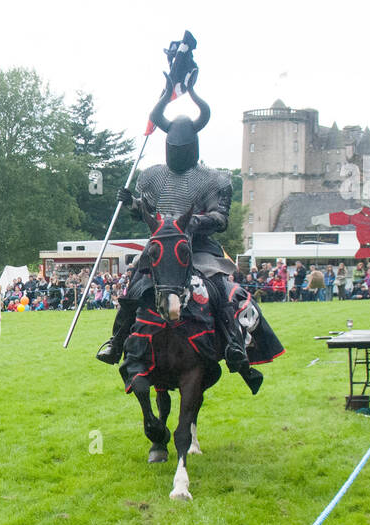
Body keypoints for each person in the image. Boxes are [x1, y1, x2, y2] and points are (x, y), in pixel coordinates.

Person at [94, 78, 280, 394]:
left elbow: (220, 218)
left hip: (201, 248)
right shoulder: (151, 175)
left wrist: (192, 222)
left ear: (193, 145)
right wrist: (132, 204)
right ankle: (117, 341)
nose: (177, 153)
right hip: (161, 245)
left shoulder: (214, 179)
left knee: (222, 289)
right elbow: (147, 213)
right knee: (134, 287)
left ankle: (234, 346)